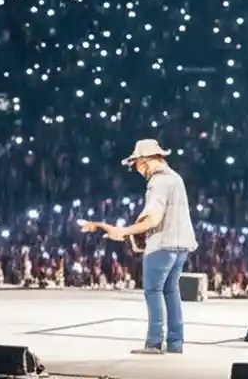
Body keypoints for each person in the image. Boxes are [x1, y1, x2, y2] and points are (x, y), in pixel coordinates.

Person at [104, 139, 198, 355]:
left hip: (162, 245)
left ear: (145, 160)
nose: (136, 169)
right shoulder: (176, 178)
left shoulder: (157, 182)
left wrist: (124, 231)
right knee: (171, 291)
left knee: (153, 291)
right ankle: (176, 342)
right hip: (181, 245)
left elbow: (153, 219)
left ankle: (154, 342)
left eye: (136, 163)